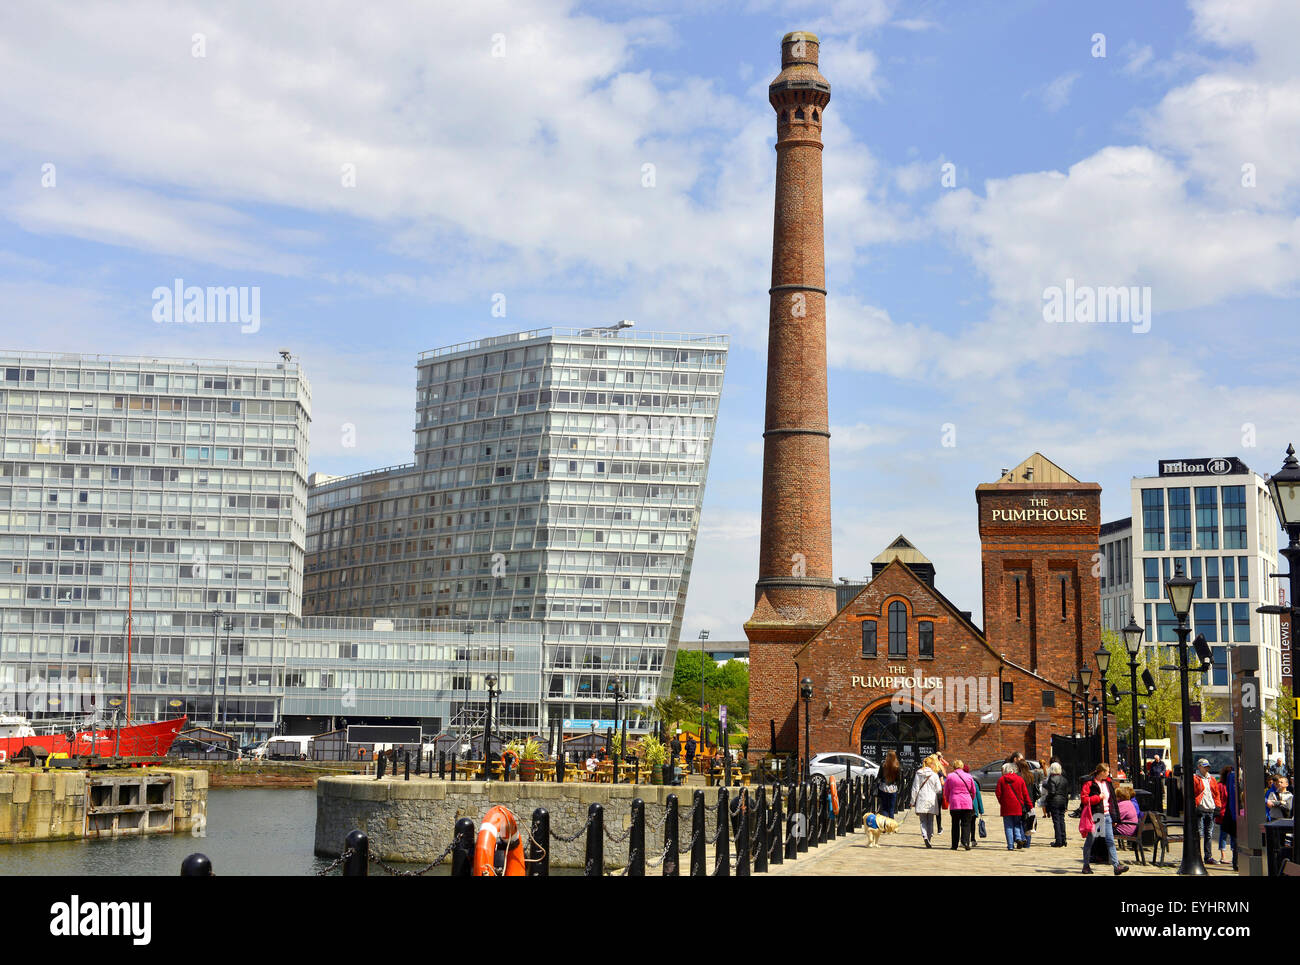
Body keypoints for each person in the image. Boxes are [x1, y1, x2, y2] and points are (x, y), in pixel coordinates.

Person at [1080, 763, 1128, 875]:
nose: (1108, 774)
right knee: (1090, 841)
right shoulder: (1089, 783)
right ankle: (1086, 866)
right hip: (1095, 815)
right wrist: (1098, 798)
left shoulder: (1108, 783)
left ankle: (1116, 866)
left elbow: (1113, 801)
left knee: (1110, 841)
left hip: (1107, 815)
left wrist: (1115, 817)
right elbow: (1084, 799)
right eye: (1107, 772)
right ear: (1101, 772)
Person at [994, 762, 1032, 851]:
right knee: (1017, 824)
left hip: (1006, 806)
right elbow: (1025, 794)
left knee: (1008, 826)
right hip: (1018, 806)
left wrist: (1002, 802)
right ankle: (1018, 837)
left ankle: (1010, 845)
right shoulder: (1020, 779)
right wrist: (1030, 805)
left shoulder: (1002, 780)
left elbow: (998, 793)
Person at [910, 755, 943, 848]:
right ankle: (929, 836)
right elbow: (939, 789)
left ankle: (924, 836)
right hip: (931, 799)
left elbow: (915, 788)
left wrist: (912, 801)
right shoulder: (934, 775)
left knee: (922, 820)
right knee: (930, 820)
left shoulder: (918, 773)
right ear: (931, 764)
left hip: (921, 798)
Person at [943, 759, 977, 851]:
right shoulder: (969, 776)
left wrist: (948, 799)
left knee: (955, 824)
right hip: (967, 802)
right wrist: (971, 799)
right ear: (962, 766)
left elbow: (946, 791)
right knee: (966, 824)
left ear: (954, 766)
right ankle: (965, 841)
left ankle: (954, 845)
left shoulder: (950, 776)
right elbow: (973, 791)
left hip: (955, 802)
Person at [1191, 758, 1220, 865]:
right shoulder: (1195, 778)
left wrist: (1217, 807)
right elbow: (1191, 794)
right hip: (1200, 809)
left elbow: (1216, 794)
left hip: (1210, 810)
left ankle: (1208, 857)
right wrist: (1195, 807)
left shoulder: (1211, 779)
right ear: (1199, 767)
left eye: (1208, 766)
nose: (1207, 768)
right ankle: (1196, 856)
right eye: (1204, 766)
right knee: (1199, 834)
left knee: (1209, 834)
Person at [1043, 761, 1070, 847]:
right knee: (1062, 820)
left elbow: (1052, 792)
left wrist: (1047, 799)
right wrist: (1066, 805)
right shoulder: (1064, 779)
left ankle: (1058, 841)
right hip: (1062, 801)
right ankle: (1063, 839)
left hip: (1055, 801)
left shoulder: (1052, 778)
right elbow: (1066, 794)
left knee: (1056, 821)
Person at [1216, 765, 1237, 866]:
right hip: (1226, 813)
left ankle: (1225, 855)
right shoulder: (1229, 785)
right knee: (1229, 835)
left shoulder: (1221, 785)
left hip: (1223, 813)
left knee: (1224, 835)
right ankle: (1230, 856)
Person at [1016, 758, 1040, 847]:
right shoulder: (1031, 775)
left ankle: (1023, 839)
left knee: (1021, 821)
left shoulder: (1018, 776)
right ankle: (1028, 843)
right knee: (1029, 822)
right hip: (1031, 801)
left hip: (1021, 801)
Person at [964, 762, 985, 846]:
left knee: (964, 823)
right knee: (972, 824)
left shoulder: (959, 780)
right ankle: (972, 839)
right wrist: (981, 810)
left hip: (964, 806)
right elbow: (978, 796)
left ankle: (965, 839)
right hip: (973, 806)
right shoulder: (973, 782)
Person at [877, 750, 901, 818]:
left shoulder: (883, 765)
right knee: (891, 809)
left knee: (884, 808)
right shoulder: (897, 767)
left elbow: (879, 776)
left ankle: (885, 824)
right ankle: (891, 825)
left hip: (883, 788)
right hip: (893, 789)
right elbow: (898, 779)